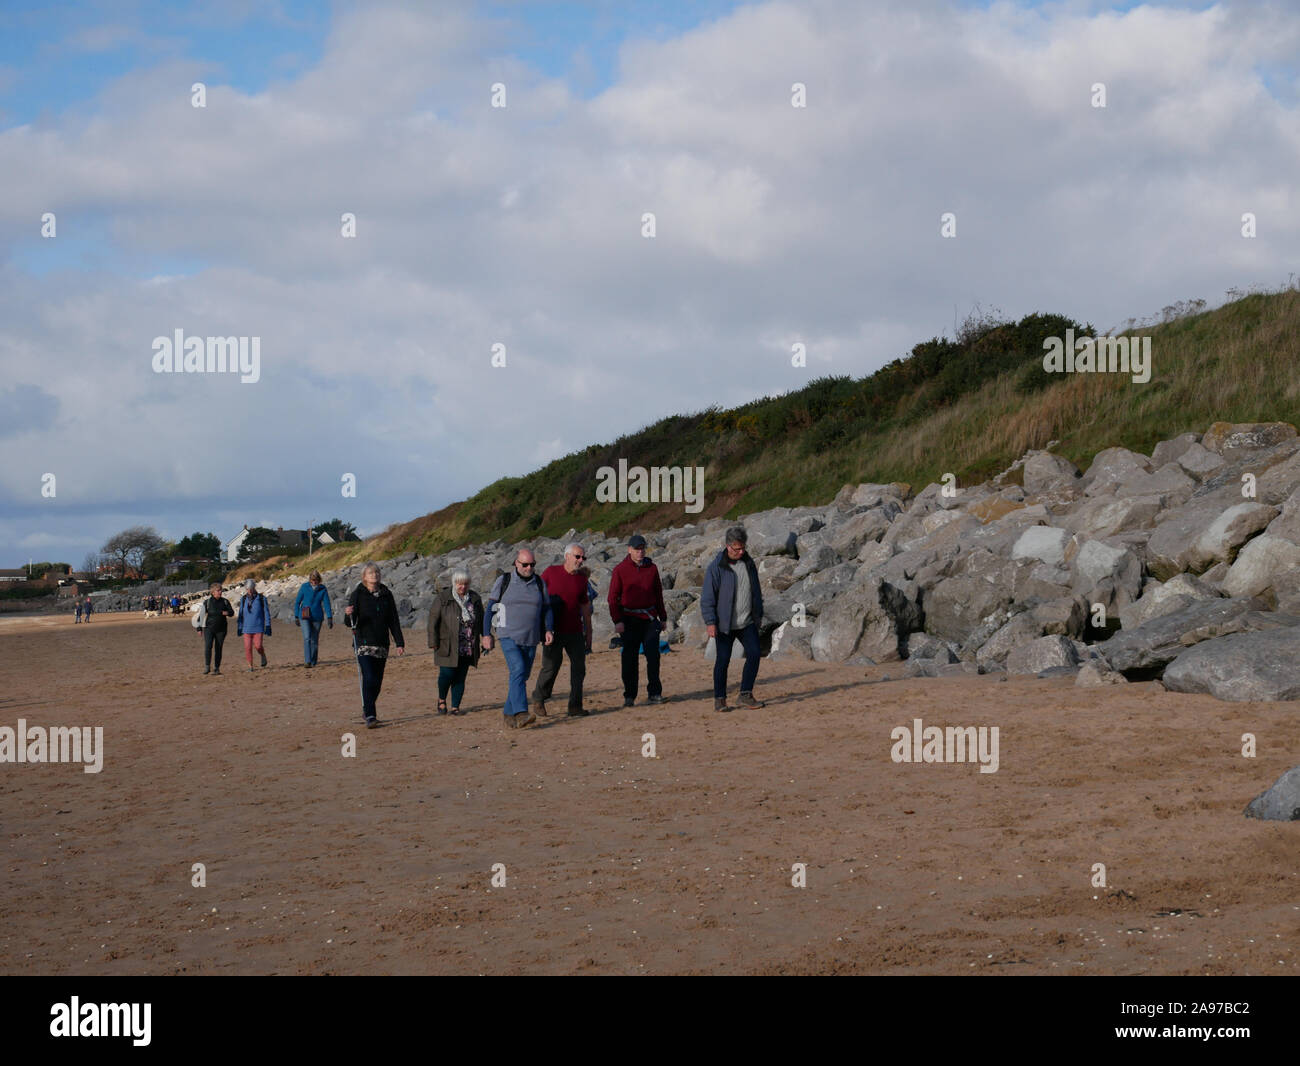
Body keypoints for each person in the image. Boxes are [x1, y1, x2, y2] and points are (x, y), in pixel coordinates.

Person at [482, 549, 554, 729]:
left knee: (521, 676)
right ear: (516, 563)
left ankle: (508, 713)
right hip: (507, 635)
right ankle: (521, 713)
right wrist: (486, 634)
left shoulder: (539, 583)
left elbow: (547, 609)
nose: (529, 568)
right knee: (518, 669)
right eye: (525, 565)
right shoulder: (504, 581)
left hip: (531, 638)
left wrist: (549, 629)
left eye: (532, 565)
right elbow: (491, 608)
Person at [701, 526, 765, 712]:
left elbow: (756, 590)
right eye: (737, 548)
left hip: (747, 622)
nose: (741, 552)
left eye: (743, 548)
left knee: (754, 654)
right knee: (723, 660)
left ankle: (745, 695)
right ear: (728, 546)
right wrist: (710, 622)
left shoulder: (749, 563)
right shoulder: (716, 567)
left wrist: (758, 614)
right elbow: (707, 597)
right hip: (724, 624)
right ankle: (719, 699)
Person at [531, 543, 592, 717]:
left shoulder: (581, 579)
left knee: (579, 669)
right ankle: (539, 698)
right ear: (567, 556)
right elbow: (537, 597)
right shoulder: (551, 572)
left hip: (575, 631)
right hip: (553, 630)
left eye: (583, 558)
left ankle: (575, 706)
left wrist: (589, 634)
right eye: (577, 556)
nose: (580, 561)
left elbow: (585, 607)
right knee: (550, 666)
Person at [608, 534, 667, 707]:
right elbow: (612, 598)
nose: (640, 552)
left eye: (642, 549)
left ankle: (655, 693)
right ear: (629, 550)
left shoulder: (652, 568)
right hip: (629, 619)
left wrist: (663, 617)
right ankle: (629, 695)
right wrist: (617, 620)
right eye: (636, 549)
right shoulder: (620, 569)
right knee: (629, 659)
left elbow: (658, 594)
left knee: (653, 656)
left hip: (649, 619)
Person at [344, 562, 404, 728]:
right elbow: (350, 623)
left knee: (377, 681)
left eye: (376, 573)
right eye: (371, 573)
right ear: (364, 577)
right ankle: (370, 715)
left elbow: (393, 620)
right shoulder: (358, 594)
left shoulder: (386, 594)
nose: (374, 575)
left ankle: (367, 706)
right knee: (369, 676)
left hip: (382, 643)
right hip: (363, 642)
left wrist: (399, 642)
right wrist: (348, 614)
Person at [427, 570, 483, 716]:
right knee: (447, 673)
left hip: (467, 644)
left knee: (460, 676)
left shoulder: (475, 598)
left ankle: (455, 706)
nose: (462, 587)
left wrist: (486, 637)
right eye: (459, 584)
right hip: (447, 644)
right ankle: (441, 699)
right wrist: (433, 641)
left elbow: (481, 621)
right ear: (454, 583)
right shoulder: (443, 598)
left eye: (465, 584)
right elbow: (433, 620)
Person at [292, 570, 334, 668]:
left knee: (314, 639)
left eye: (316, 580)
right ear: (310, 579)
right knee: (307, 637)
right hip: (304, 615)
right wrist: (296, 616)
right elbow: (297, 602)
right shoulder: (304, 587)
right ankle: (307, 661)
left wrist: (329, 617)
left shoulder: (323, 589)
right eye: (312, 580)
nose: (314, 582)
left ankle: (313, 661)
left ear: (319, 580)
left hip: (317, 617)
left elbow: (327, 603)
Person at [198, 581, 235, 675]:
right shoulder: (207, 602)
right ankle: (207, 667)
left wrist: (226, 613)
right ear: (213, 592)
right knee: (208, 647)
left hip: (221, 629)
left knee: (218, 648)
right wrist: (199, 628)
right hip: (209, 628)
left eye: (221, 590)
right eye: (218, 590)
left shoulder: (225, 601)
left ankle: (217, 668)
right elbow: (201, 615)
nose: (220, 592)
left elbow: (231, 613)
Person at [236, 578, 272, 672]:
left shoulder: (261, 598)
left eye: (251, 589)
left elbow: (266, 613)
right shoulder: (243, 599)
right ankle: (250, 666)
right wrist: (239, 627)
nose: (249, 591)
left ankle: (262, 655)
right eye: (247, 589)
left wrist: (268, 625)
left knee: (258, 646)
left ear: (254, 588)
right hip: (246, 628)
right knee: (247, 647)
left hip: (258, 627)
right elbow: (240, 614)